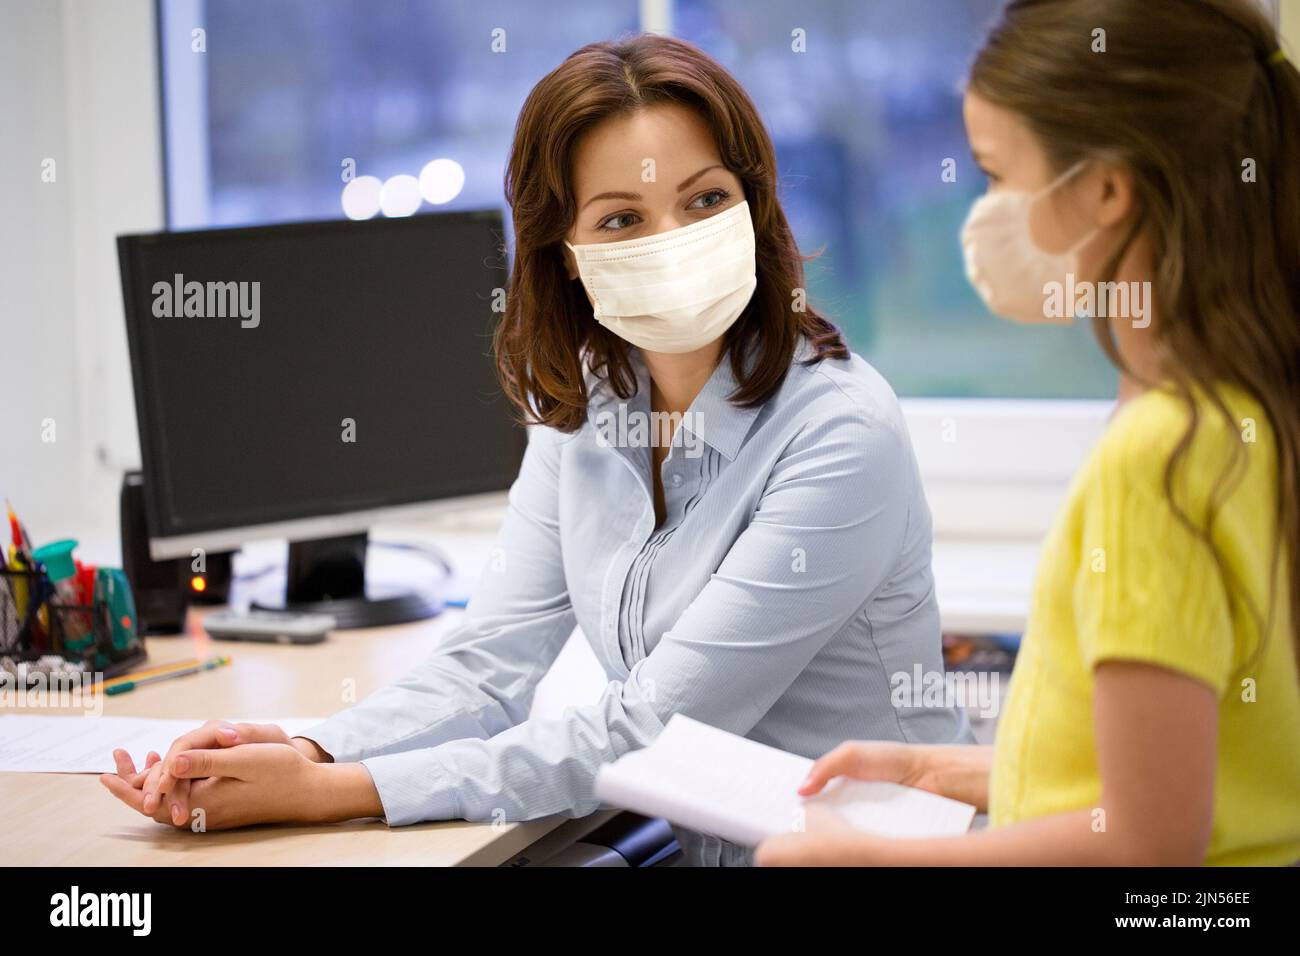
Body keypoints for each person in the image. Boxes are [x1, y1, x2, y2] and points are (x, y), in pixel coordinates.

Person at [101, 33, 968, 866]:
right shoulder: (591, 407)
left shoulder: (839, 433)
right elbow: (488, 668)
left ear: (754, 203)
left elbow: (652, 732)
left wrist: (332, 791)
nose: (669, 241)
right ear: (566, 256)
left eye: (704, 200)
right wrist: (307, 744)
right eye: (622, 218)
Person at [757, 0, 1300, 867]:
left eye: (998, 175)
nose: (985, 211)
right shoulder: (1251, 409)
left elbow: (1146, 848)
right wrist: (945, 768)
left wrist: (867, 861)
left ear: (1106, 192)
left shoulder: (1156, 457)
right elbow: (1183, 773)